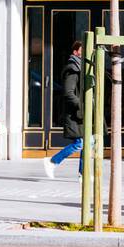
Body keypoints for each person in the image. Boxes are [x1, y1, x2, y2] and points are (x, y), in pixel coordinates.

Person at [43, 41, 86, 178]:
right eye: (82, 49)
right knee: (82, 143)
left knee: (87, 143)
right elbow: (68, 92)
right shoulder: (72, 68)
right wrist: (81, 106)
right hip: (76, 114)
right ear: (75, 52)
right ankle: (52, 161)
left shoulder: (82, 67)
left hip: (82, 114)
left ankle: (82, 173)